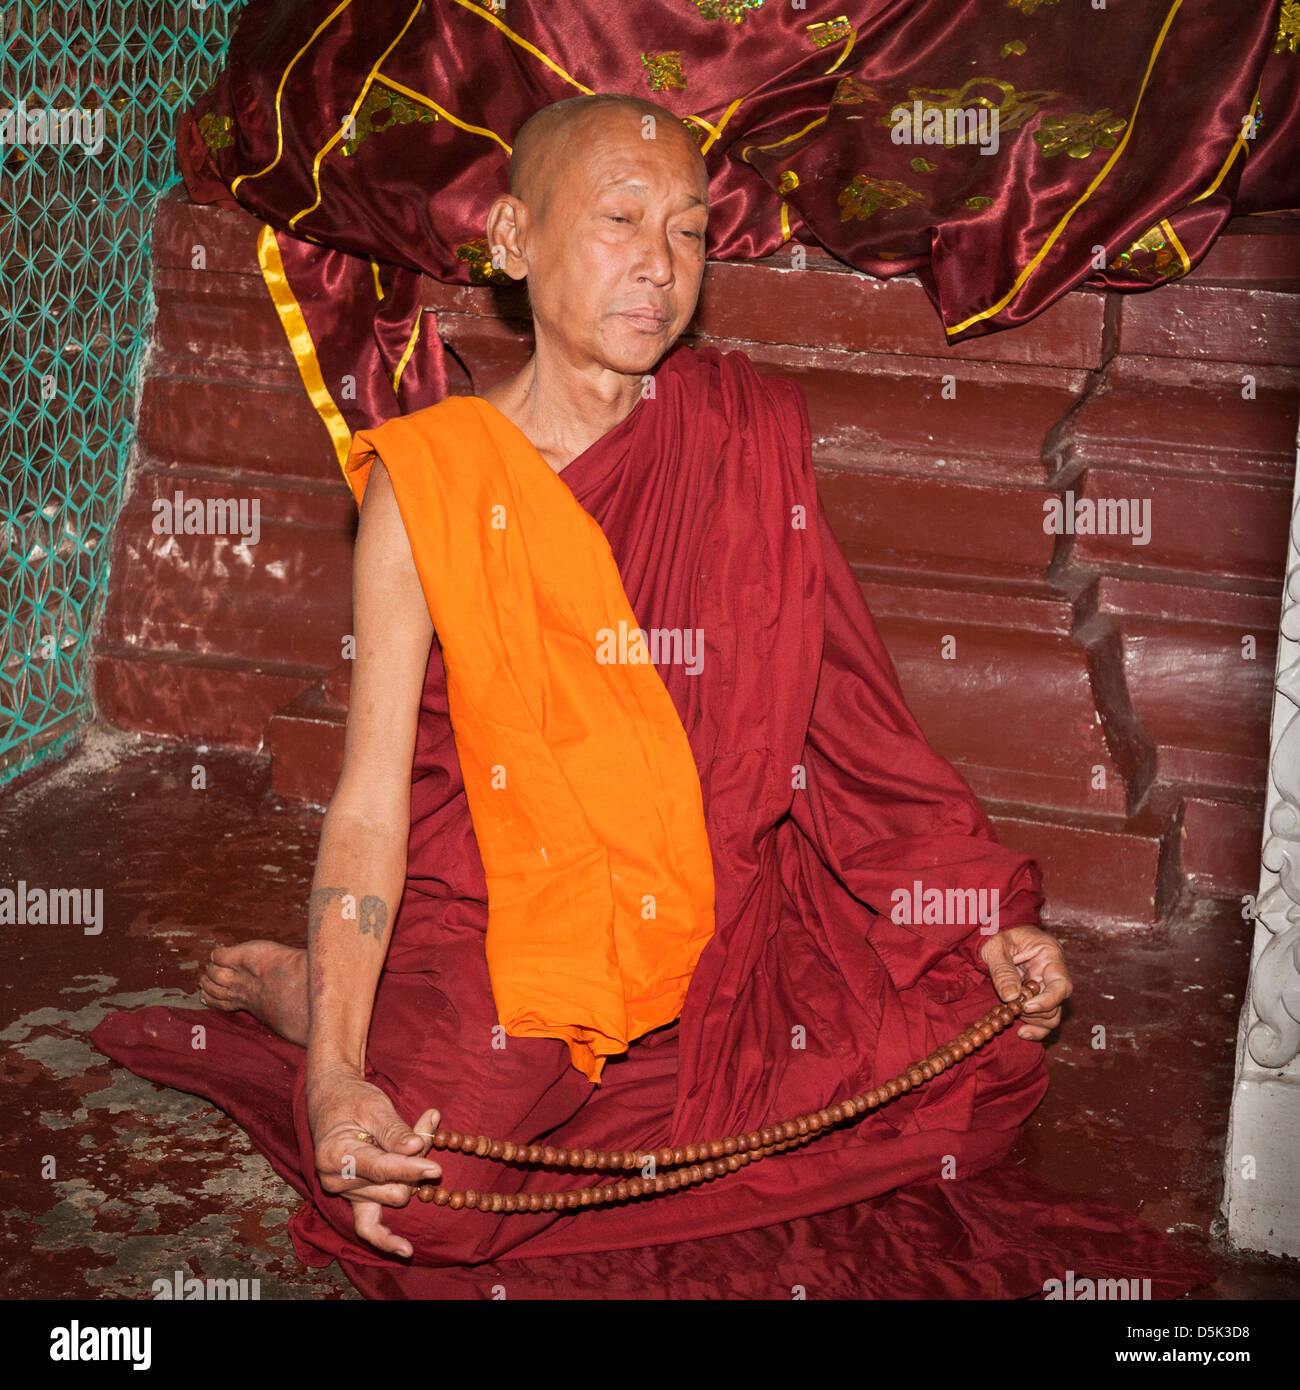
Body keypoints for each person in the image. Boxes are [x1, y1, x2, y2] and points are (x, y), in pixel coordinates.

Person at [108, 93, 1073, 1286]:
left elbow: (846, 720)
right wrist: (332, 1076)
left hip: (714, 905)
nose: (658, 268)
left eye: (685, 231)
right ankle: (328, 1007)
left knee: (979, 1062)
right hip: (511, 914)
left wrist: (981, 914)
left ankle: (384, 1024)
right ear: (513, 240)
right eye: (620, 219)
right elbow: (366, 804)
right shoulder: (433, 482)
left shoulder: (739, 430)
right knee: (435, 1209)